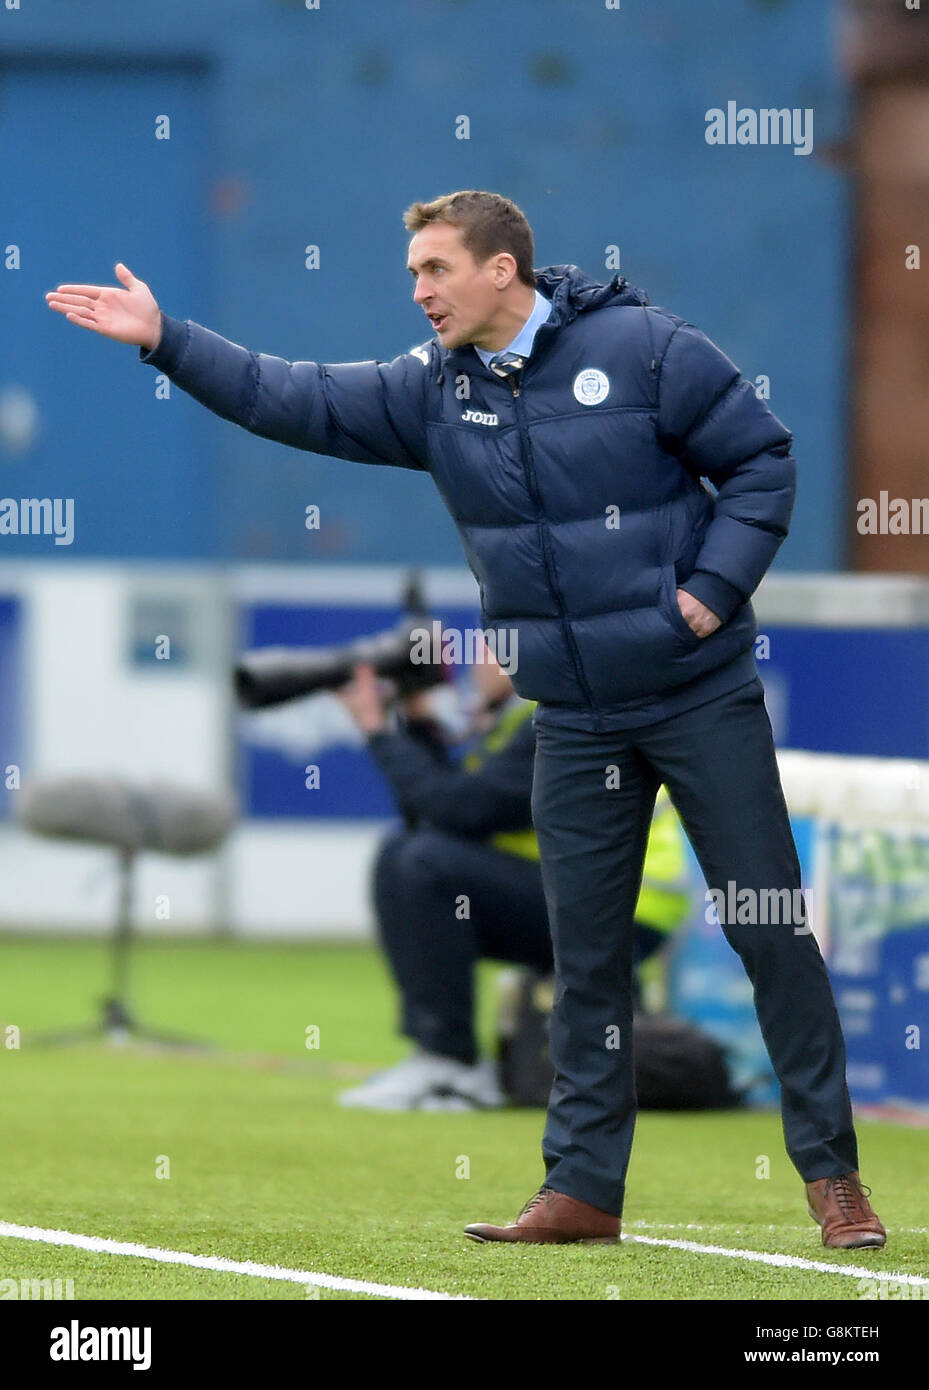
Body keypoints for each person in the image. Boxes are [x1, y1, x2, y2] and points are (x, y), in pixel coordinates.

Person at [45, 189, 885, 1250]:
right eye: (412, 274)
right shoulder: (430, 391)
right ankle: (580, 1189)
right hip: (572, 718)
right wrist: (167, 340)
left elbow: (761, 458)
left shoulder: (646, 349)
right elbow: (284, 395)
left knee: (768, 930)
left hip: (696, 693)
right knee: (582, 960)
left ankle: (833, 1179)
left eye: (435, 269)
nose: (418, 291)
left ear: (502, 270)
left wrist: (709, 592)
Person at [332, 647, 690, 1110]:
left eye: (492, 646)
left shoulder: (555, 717)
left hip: (624, 911)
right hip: (597, 899)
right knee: (409, 855)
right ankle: (443, 1059)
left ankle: (451, 1063)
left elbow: (460, 809)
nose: (478, 662)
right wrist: (418, 722)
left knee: (421, 864)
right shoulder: (526, 715)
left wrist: (378, 732)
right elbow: (447, 812)